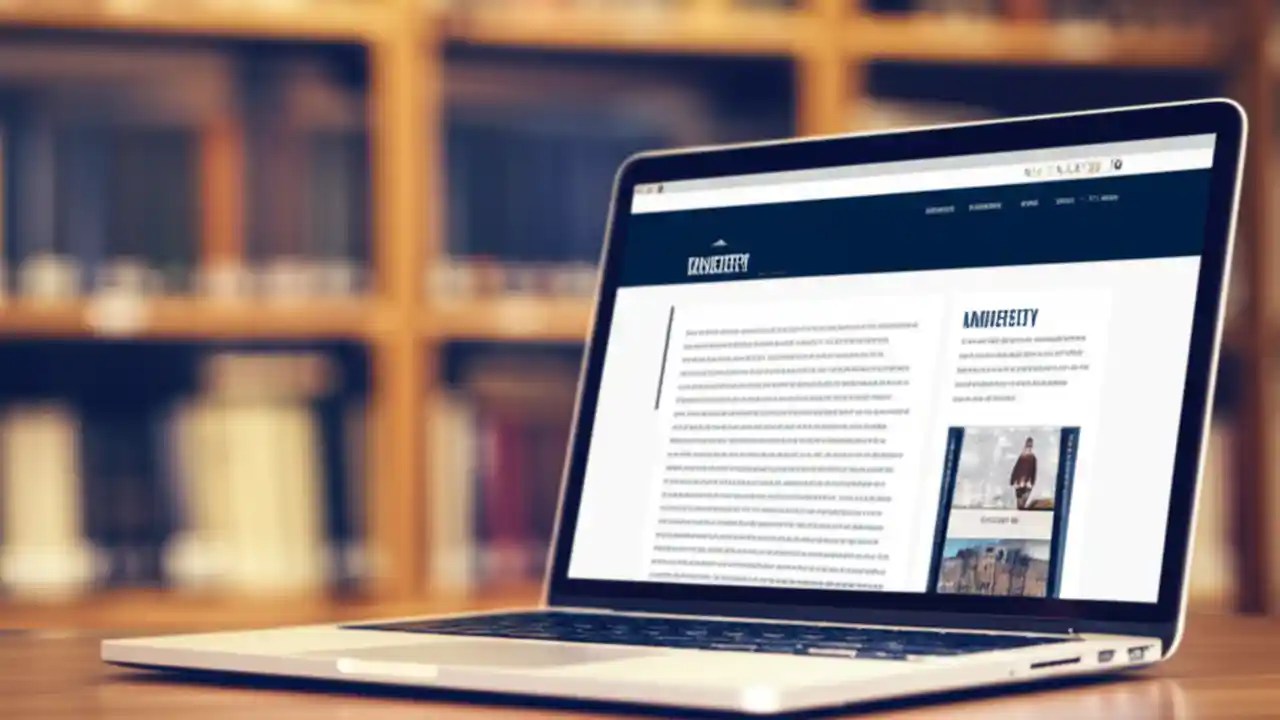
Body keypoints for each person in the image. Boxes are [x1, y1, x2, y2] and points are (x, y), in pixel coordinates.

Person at [1009, 437, 1038, 510]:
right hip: (1019, 483)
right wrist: (1013, 480)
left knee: (1022, 503)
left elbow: (1033, 471)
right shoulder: (1022, 457)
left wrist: (1032, 482)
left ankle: (1021, 514)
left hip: (1027, 484)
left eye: (1030, 446)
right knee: (1019, 503)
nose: (1028, 448)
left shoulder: (1032, 458)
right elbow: (1016, 469)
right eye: (1027, 446)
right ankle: (1020, 515)